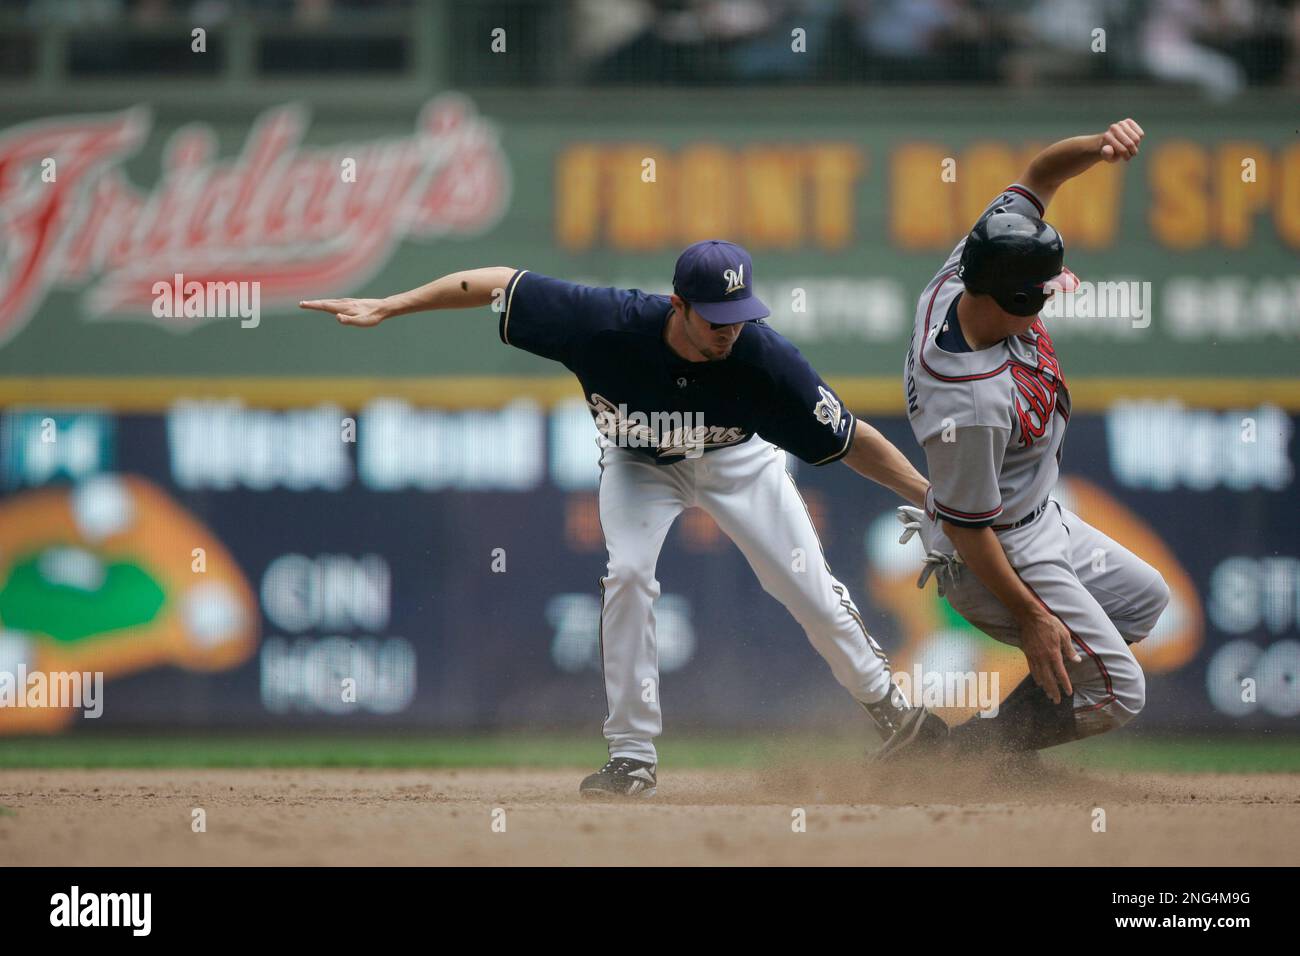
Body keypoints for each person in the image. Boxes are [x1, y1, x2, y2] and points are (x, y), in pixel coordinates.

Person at [302, 239, 940, 797]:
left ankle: (896, 717)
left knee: (805, 588)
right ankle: (631, 758)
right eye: (714, 318)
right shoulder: (602, 322)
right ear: (677, 304)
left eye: (739, 316)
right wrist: (391, 305)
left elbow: (853, 438)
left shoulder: (767, 360)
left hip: (736, 461)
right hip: (640, 466)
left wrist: (933, 498)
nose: (729, 331)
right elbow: (494, 284)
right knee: (629, 576)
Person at [899, 119, 1171, 757]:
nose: (1051, 301)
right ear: (1007, 295)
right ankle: (968, 760)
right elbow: (968, 529)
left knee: (1144, 598)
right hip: (995, 551)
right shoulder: (969, 397)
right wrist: (1030, 616)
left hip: (1039, 519)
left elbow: (1039, 175)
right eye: (1043, 294)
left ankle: (987, 750)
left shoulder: (963, 274)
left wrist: (1098, 147)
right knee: (1118, 694)